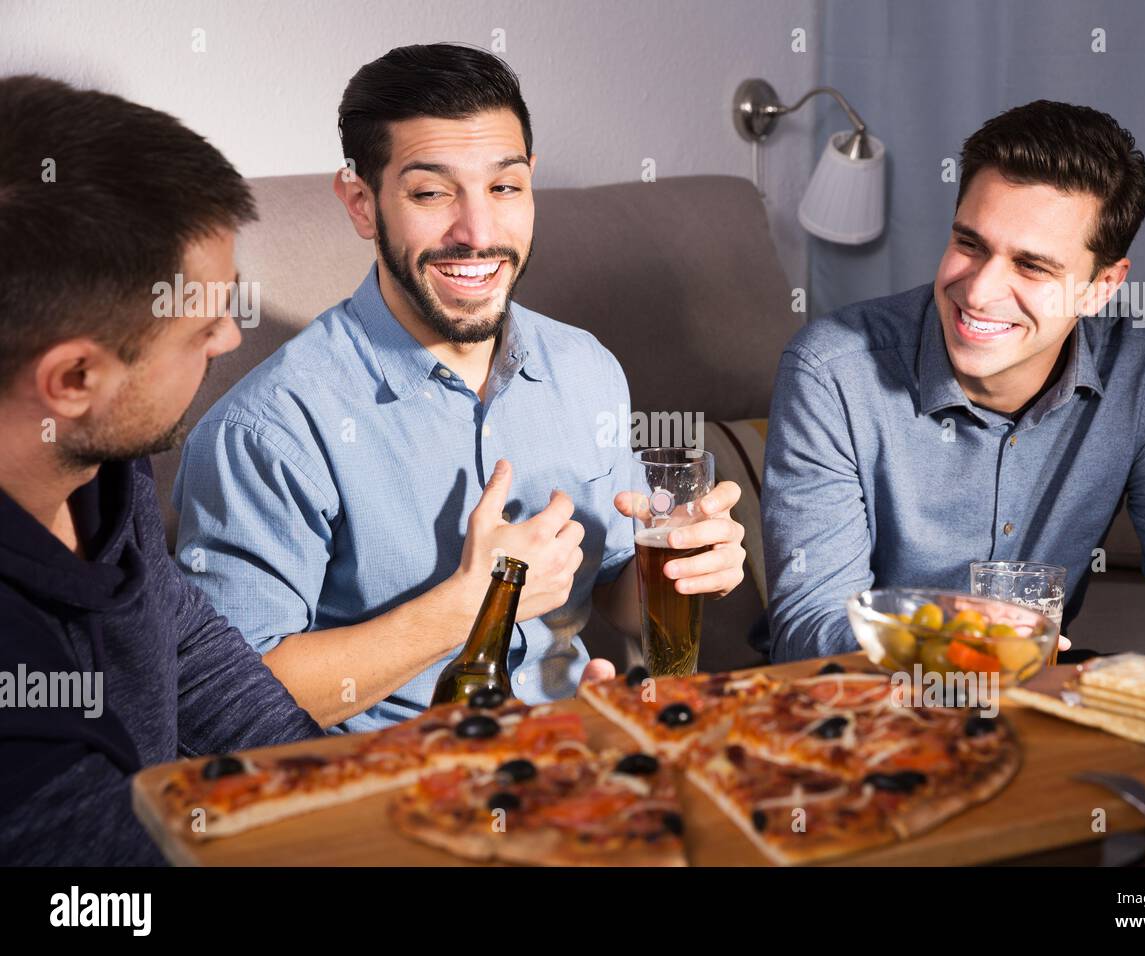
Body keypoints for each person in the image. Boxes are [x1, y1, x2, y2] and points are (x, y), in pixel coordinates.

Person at [172, 44, 748, 732]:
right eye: (431, 193)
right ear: (361, 203)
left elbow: (617, 595)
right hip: (382, 790)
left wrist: (684, 562)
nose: (478, 233)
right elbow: (227, 707)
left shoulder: (588, 369)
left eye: (504, 188)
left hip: (575, 759)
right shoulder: (267, 430)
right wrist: (465, 604)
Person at [762, 100, 1145, 664]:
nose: (976, 293)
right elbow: (810, 630)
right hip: (870, 708)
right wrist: (961, 651)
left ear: (1101, 287)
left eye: (1032, 267)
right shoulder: (832, 371)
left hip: (1035, 697)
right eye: (969, 244)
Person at [0, 75, 323, 865]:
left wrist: (338, 791)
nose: (227, 340)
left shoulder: (94, 458)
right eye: (202, 325)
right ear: (73, 380)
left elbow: (178, 640)